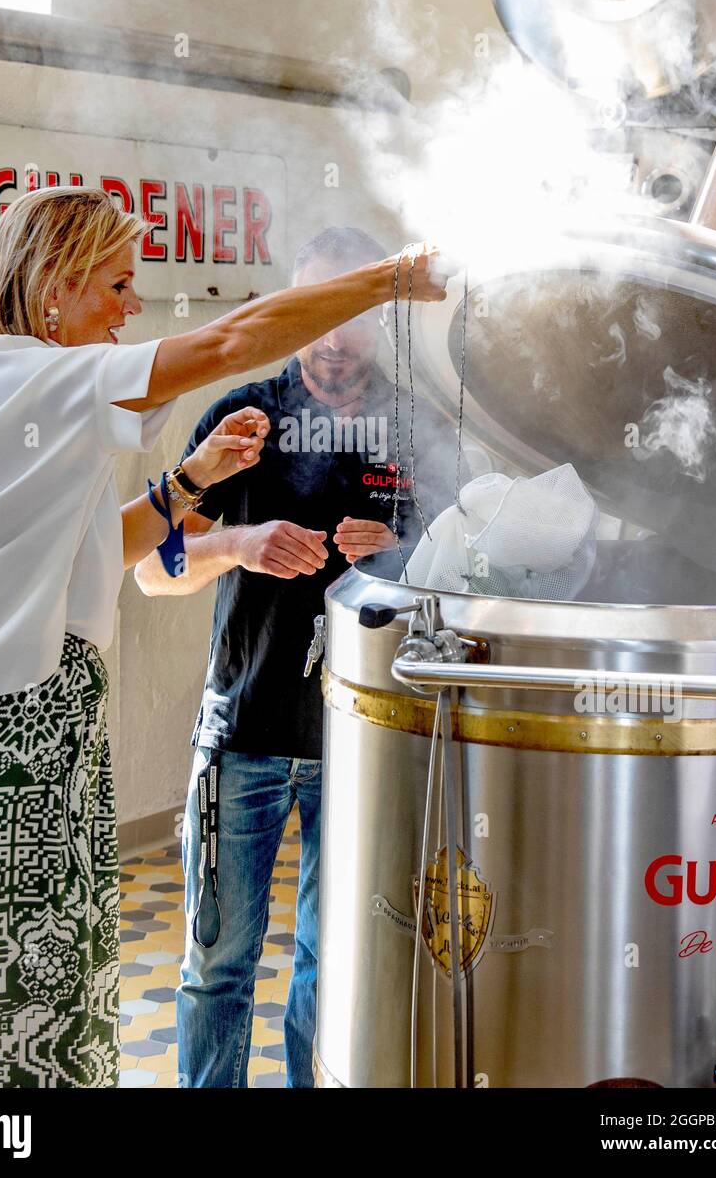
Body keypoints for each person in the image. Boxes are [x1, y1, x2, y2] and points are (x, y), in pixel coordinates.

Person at [0, 187, 446, 1089]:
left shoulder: (31, 391)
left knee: (54, 1023)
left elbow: (103, 544)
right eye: (115, 282)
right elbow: (228, 344)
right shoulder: (14, 370)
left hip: (38, 744)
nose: (131, 305)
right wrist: (392, 278)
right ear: (52, 285)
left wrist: (192, 479)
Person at [135, 226, 462, 1088]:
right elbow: (151, 569)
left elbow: (468, 568)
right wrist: (238, 543)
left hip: (364, 741)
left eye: (353, 316)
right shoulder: (240, 419)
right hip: (240, 731)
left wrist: (399, 544)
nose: (337, 339)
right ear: (294, 310)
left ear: (376, 315)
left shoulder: (417, 427)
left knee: (332, 962)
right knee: (219, 965)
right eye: (320, 314)